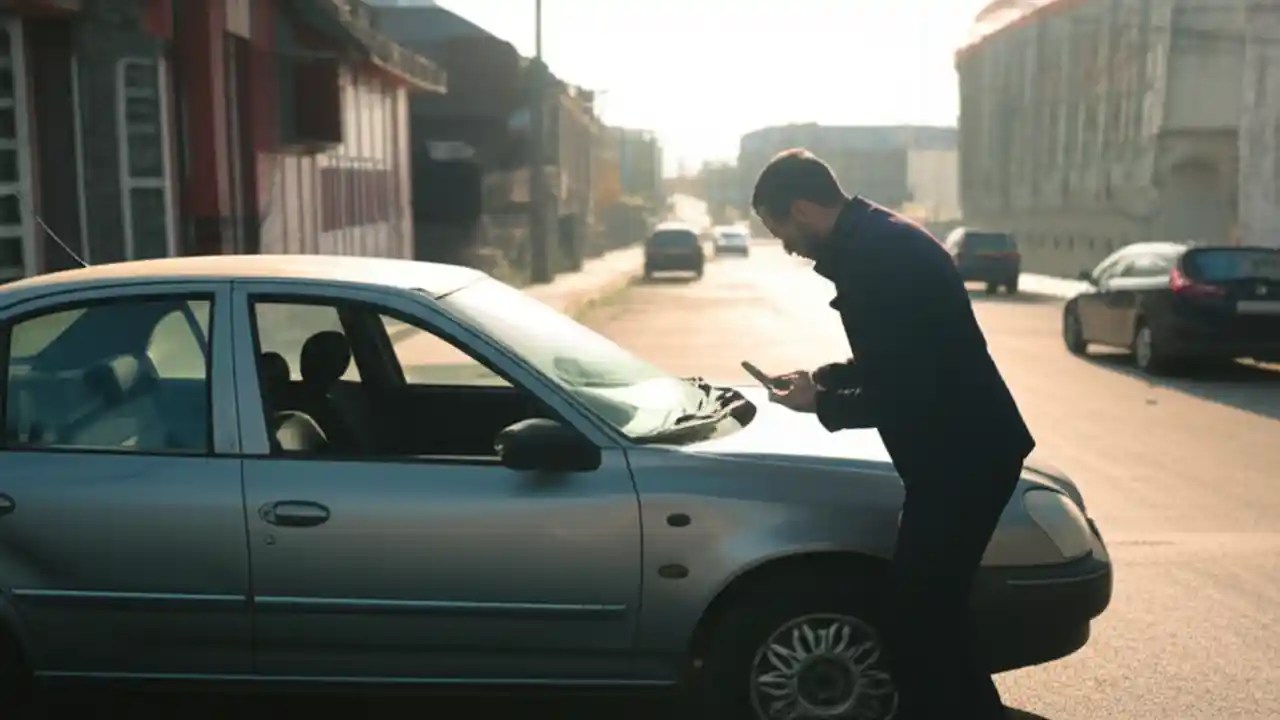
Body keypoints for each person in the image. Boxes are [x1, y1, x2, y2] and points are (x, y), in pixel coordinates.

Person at [750, 148, 1035, 720]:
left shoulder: (879, 258)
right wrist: (823, 378)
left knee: (921, 617)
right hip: (959, 451)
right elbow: (895, 358)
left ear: (803, 209)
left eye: (779, 229)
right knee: (932, 612)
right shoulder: (877, 240)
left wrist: (822, 403)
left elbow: (911, 387)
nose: (785, 245)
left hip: (963, 456)